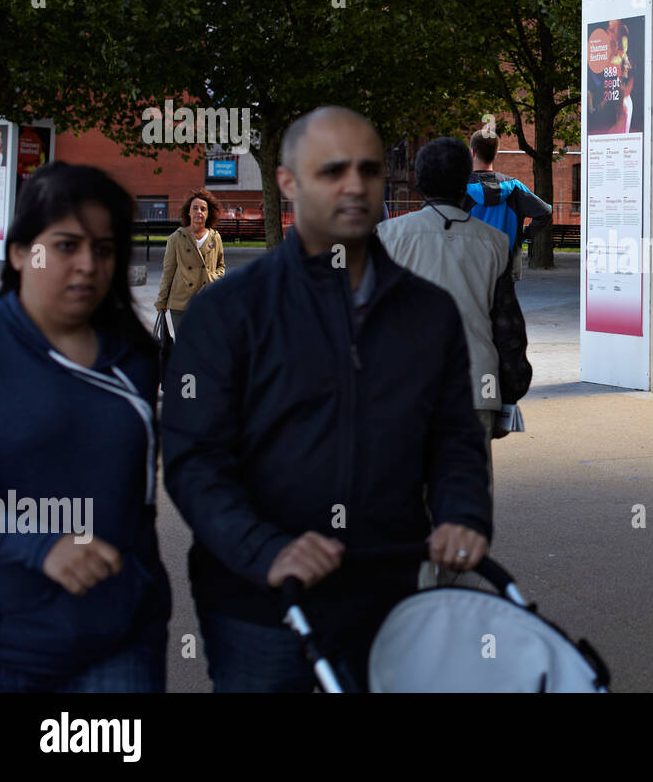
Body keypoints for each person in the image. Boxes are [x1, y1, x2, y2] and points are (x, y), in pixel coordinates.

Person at [162, 106, 492, 692]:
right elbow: (195, 460)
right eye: (331, 170)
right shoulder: (227, 312)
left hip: (385, 592)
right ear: (287, 182)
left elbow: (455, 437)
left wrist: (462, 511)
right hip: (259, 603)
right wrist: (265, 549)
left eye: (368, 169)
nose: (354, 185)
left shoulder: (427, 311)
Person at [0, 163, 171, 691]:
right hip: (6, 645)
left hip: (119, 642)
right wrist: (41, 544)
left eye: (105, 249)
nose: (89, 265)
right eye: (66, 246)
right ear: (22, 252)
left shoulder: (135, 354)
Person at [377, 137, 532, 585]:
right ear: (465, 179)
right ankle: (455, 599)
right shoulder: (494, 244)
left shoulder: (388, 238)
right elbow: (508, 331)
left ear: (420, 181)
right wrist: (510, 396)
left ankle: (415, 598)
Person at [463, 130, 553, 281]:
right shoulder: (514, 187)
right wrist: (523, 234)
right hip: (506, 269)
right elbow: (544, 211)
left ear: (472, 153)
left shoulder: (458, 189)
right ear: (495, 154)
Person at [155, 189, 226, 332]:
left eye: (203, 209)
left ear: (208, 214)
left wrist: (211, 277)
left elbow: (221, 267)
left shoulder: (215, 237)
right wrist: (161, 301)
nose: (199, 212)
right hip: (181, 302)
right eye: (195, 208)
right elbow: (168, 272)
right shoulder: (176, 238)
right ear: (189, 212)